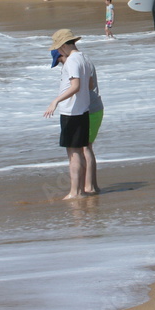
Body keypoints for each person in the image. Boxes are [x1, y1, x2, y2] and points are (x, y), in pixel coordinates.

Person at [43, 29, 95, 199]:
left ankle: (76, 192)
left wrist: (56, 101)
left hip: (71, 112)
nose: (58, 51)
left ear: (65, 45)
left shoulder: (72, 60)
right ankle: (80, 190)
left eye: (59, 48)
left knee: (73, 154)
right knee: (79, 152)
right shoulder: (84, 58)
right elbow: (90, 84)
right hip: (83, 110)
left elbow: (76, 86)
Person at [51, 46, 104, 195]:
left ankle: (90, 187)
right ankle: (89, 186)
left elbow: (84, 86)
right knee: (85, 147)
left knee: (85, 147)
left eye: (60, 61)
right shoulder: (83, 59)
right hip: (90, 107)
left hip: (90, 108)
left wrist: (57, 101)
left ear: (62, 52)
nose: (62, 64)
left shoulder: (76, 62)